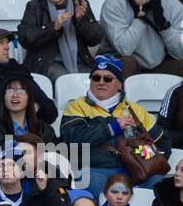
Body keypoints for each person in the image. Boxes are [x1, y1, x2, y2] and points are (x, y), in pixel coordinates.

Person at [59, 54, 170, 189]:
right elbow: (71, 139)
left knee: (159, 183)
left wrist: (144, 156)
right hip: (94, 170)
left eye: (107, 79)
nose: (101, 82)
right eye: (96, 77)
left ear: (119, 85)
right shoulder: (76, 106)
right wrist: (113, 127)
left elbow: (162, 142)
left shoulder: (134, 109)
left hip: (134, 172)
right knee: (90, 180)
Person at [19, 0, 105, 83]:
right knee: (66, 81)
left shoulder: (80, 4)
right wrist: (53, 28)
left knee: (99, 80)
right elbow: (25, 38)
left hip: (79, 62)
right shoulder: (34, 6)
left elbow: (95, 39)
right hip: (48, 64)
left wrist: (81, 21)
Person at [0, 77, 61, 151]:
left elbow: (56, 159)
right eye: (10, 90)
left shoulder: (44, 129)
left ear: (29, 98)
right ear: (3, 98)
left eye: (21, 91)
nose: (15, 95)